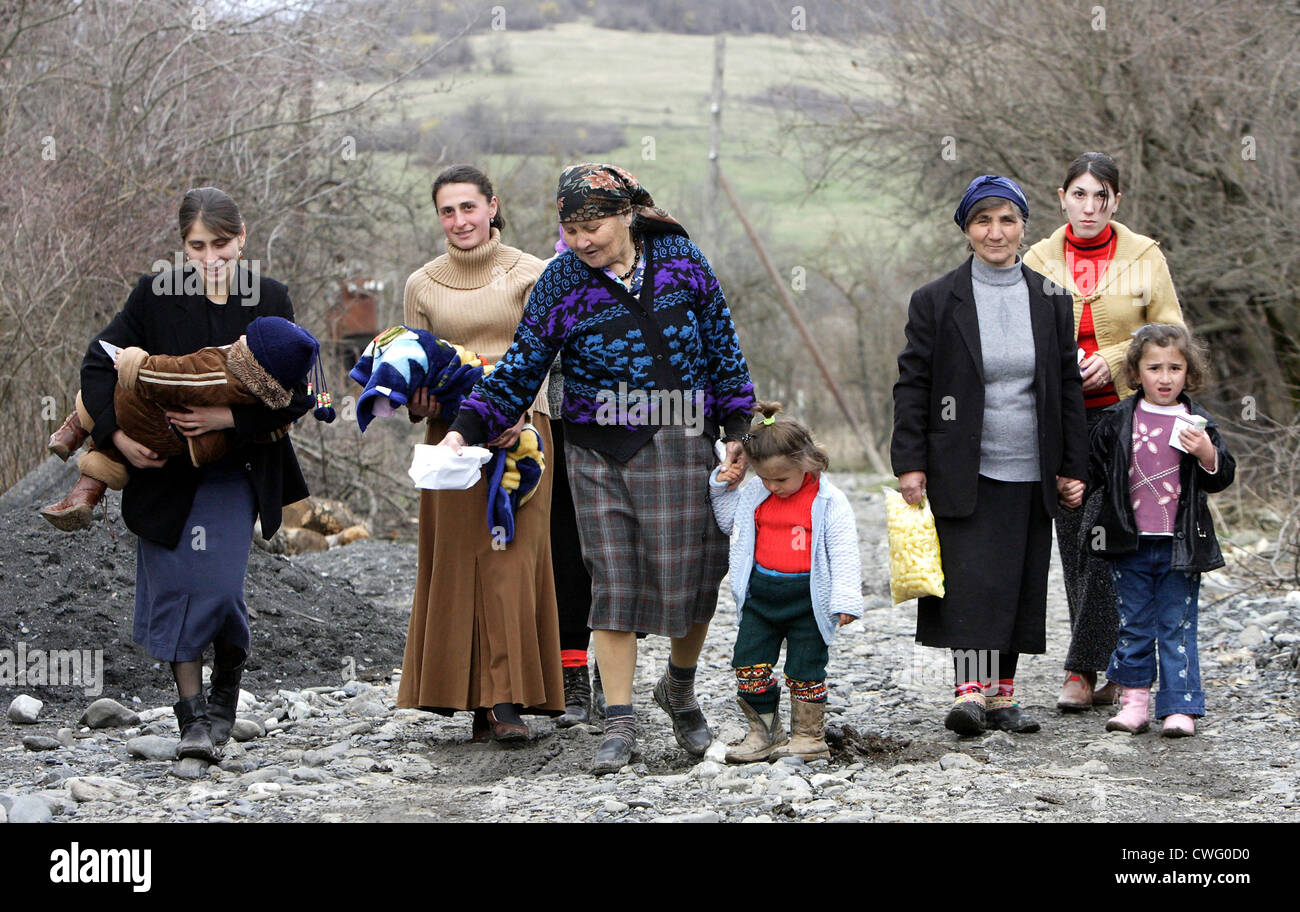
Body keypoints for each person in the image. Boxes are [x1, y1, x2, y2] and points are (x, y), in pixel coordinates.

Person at [436, 162, 756, 774]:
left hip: (683, 437)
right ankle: (620, 720)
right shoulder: (560, 282)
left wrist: (739, 426)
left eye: (595, 225)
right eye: (571, 228)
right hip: (597, 449)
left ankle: (679, 689)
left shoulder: (683, 260)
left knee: (695, 580)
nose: (583, 240)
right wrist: (464, 430)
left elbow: (723, 347)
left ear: (627, 214)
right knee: (612, 580)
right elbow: (520, 368)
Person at [74, 186, 314, 761]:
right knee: (173, 589)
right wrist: (117, 437)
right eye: (197, 246)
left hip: (236, 467)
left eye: (222, 244)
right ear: (182, 246)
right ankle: (194, 718)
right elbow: (96, 363)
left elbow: (303, 393)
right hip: (159, 470)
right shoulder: (155, 296)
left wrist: (227, 414)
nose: (210, 258)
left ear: (244, 238)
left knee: (218, 586)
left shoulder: (269, 298)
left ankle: (228, 676)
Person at [892, 174, 1088, 736]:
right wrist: (910, 460)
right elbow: (913, 384)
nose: (995, 231)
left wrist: (1073, 467)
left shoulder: (1051, 300)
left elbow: (1066, 388)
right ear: (967, 230)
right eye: (983, 220)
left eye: (1007, 219)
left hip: (1033, 464)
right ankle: (970, 692)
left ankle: (1003, 696)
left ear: (1024, 227)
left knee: (1020, 580)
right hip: (964, 464)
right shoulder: (935, 300)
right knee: (974, 580)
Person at [396, 164, 565, 741]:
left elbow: (546, 358)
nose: (460, 220)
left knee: (510, 560)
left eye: (469, 207)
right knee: (459, 561)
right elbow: (411, 366)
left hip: (522, 432)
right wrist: (418, 401)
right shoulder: (422, 283)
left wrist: (517, 410)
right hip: (450, 439)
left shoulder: (535, 273)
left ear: (492, 206)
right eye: (448, 210)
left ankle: (508, 699)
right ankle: (468, 697)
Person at [1023, 152, 1186, 712]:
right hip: (1060, 417)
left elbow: (1171, 331)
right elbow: (1025, 330)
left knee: (1104, 534)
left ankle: (1081, 668)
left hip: (1127, 418)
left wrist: (1116, 357)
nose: (1090, 206)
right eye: (1079, 194)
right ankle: (1116, 665)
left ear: (1116, 201)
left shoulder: (1144, 255)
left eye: (1101, 196)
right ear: (1061, 197)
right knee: (1073, 538)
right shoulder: (1039, 258)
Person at [43, 317, 327, 531]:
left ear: (255, 358)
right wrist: (232, 420)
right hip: (186, 443)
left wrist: (136, 366)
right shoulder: (273, 395)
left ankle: (75, 427)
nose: (241, 335)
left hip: (169, 430)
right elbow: (274, 429)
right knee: (124, 416)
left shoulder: (222, 373)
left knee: (121, 391)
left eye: (249, 338)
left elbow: (179, 378)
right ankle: (85, 493)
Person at [1087, 324, 1233, 737]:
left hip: (1181, 546)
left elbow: (1222, 476)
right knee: (1134, 623)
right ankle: (1134, 703)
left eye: (1175, 368)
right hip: (1128, 543)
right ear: (1135, 373)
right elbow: (1094, 468)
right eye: (1154, 367)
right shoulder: (1118, 419)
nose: (1165, 377)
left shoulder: (1197, 422)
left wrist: (1207, 452)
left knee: (1177, 625)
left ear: (1190, 373)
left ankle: (1180, 707)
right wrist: (1072, 483)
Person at [709, 402, 863, 762]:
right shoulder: (755, 495)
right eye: (765, 478)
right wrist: (722, 487)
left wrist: (845, 598)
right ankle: (763, 732)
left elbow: (843, 549)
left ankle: (809, 736)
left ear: (806, 463)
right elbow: (730, 523)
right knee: (748, 663)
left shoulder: (828, 500)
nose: (773, 486)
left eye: (781, 479)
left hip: (809, 600)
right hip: (761, 597)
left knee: (805, 667)